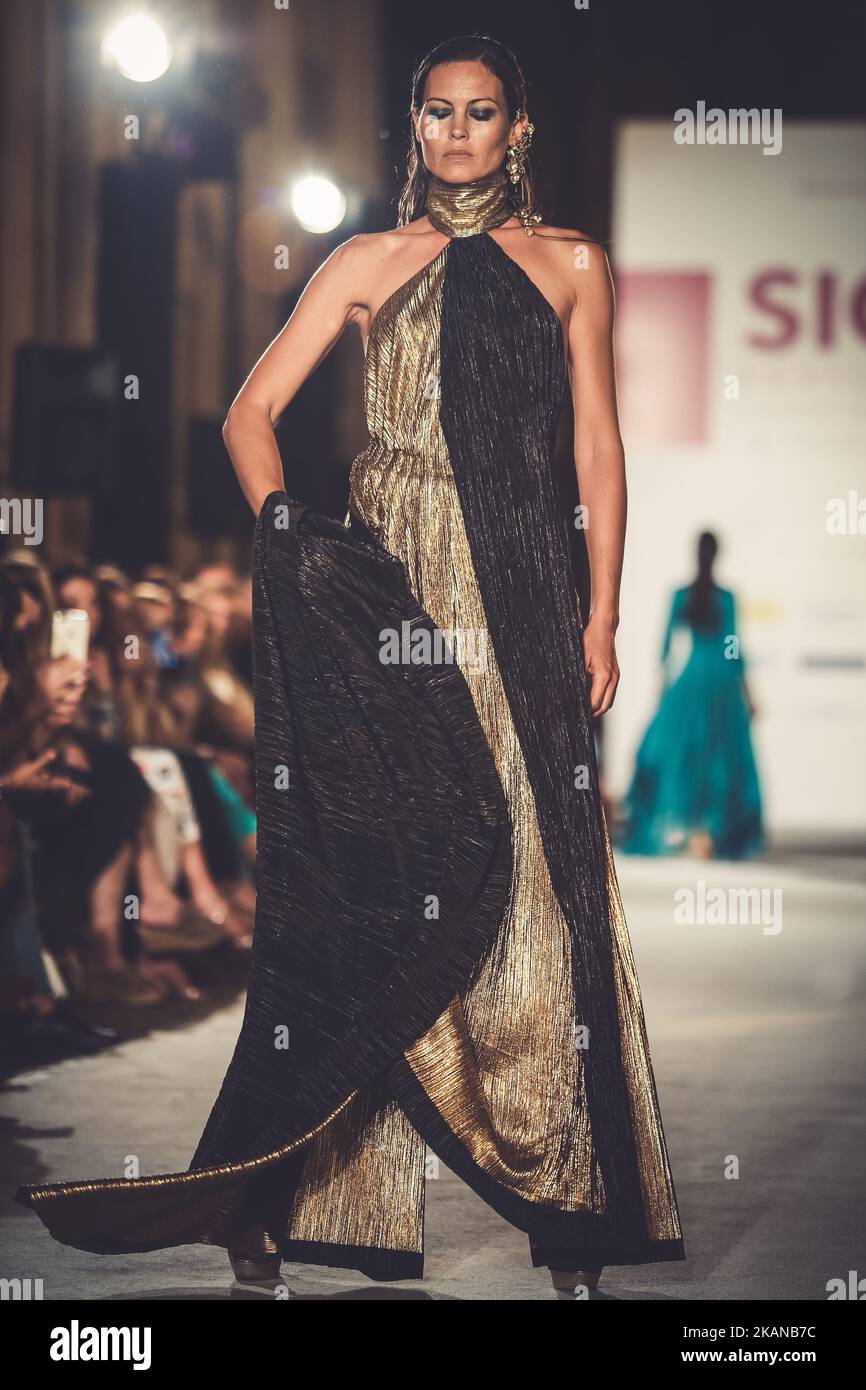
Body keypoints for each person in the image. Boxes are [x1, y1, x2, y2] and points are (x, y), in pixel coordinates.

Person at [14, 34, 685, 1298]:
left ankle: (571, 1216)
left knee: (541, 890)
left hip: (527, 595)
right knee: (367, 891)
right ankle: (285, 1195)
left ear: (517, 130)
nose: (458, 134)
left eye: (481, 114)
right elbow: (246, 414)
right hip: (385, 602)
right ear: (416, 127)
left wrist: (598, 613)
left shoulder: (574, 266)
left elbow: (595, 446)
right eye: (437, 113)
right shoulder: (366, 264)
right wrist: (285, 539)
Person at [620, 531, 764, 860]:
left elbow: (667, 649)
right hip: (720, 681)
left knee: (682, 752)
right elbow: (733, 648)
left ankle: (690, 830)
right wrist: (746, 692)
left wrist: (663, 695)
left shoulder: (681, 595)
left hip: (691, 676)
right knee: (722, 756)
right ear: (717, 555)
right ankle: (710, 832)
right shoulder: (725, 597)